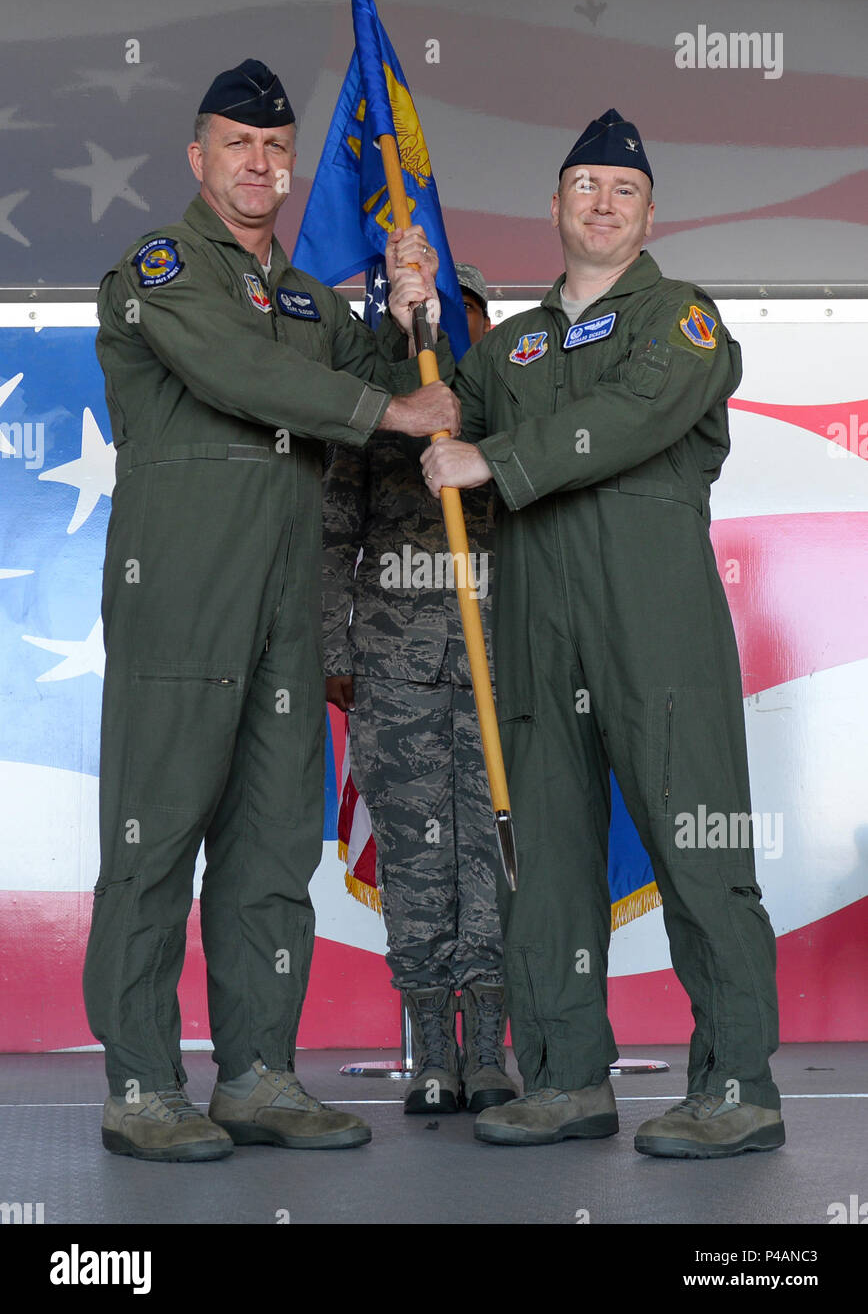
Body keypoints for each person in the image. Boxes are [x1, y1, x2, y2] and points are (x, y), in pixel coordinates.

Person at [82, 58, 459, 1162]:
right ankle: (144, 1084)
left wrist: (408, 308)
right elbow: (243, 374)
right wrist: (386, 400)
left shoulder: (303, 297)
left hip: (288, 609)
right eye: (237, 144)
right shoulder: (157, 271)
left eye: (276, 148)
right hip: (181, 599)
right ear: (198, 158)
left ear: (293, 166)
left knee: (271, 846)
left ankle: (257, 1074)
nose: (260, 163)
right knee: (154, 838)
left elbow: (397, 377)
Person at [420, 108, 784, 1158]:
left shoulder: (681, 318)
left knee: (699, 846)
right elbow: (444, 404)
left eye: (622, 190)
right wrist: (412, 309)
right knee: (550, 861)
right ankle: (566, 1077)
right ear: (555, 206)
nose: (602, 202)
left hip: (656, 629)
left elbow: (632, 413)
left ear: (648, 212)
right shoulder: (515, 347)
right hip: (538, 631)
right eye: (584, 184)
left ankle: (736, 1084)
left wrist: (496, 461)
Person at [322, 263, 517, 1115]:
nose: (447, 329)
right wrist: (335, 649)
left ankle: (488, 1057)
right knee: (416, 868)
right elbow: (332, 534)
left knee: (495, 865)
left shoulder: (515, 405)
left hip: (499, 670)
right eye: (433, 316)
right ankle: (433, 1056)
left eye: (464, 315)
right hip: (396, 671)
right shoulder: (375, 408)